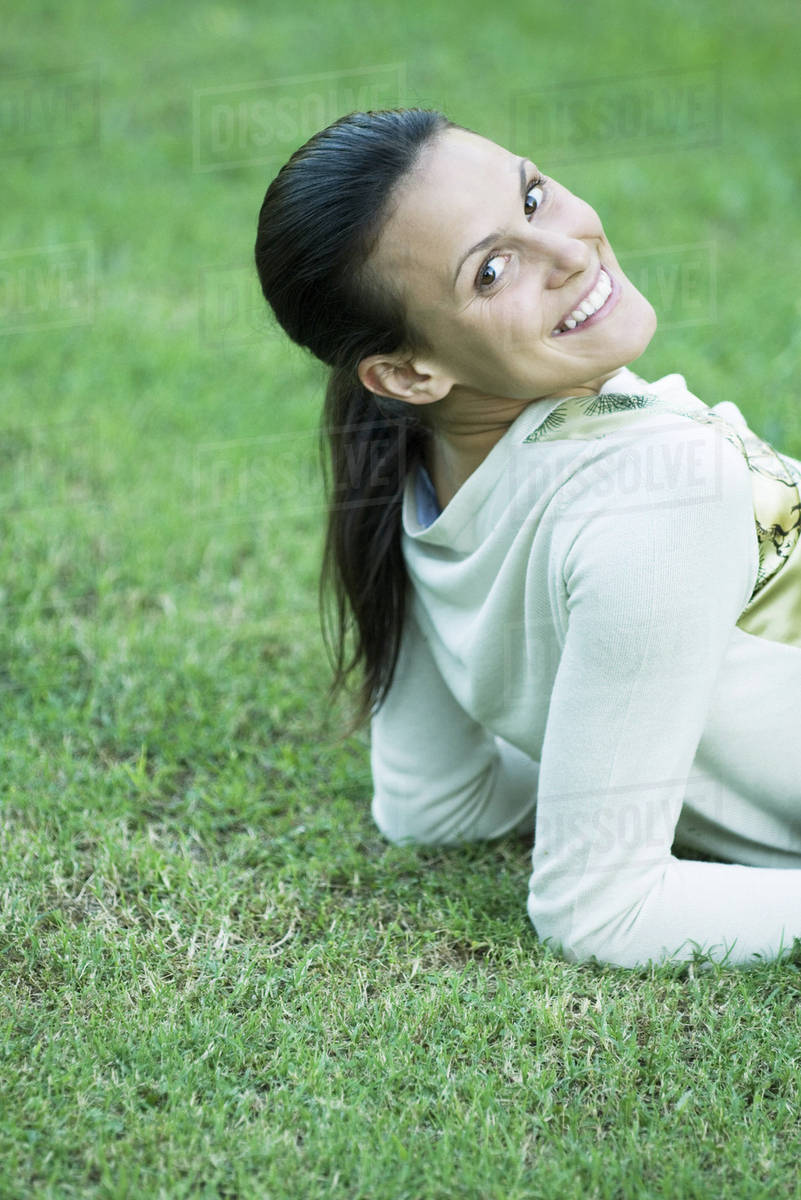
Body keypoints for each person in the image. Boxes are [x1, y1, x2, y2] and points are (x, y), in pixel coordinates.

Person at [254, 107, 801, 969]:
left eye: (534, 196)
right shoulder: (656, 490)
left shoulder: (428, 456)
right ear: (405, 374)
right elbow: (601, 911)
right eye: (493, 270)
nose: (573, 252)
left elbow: (437, 803)